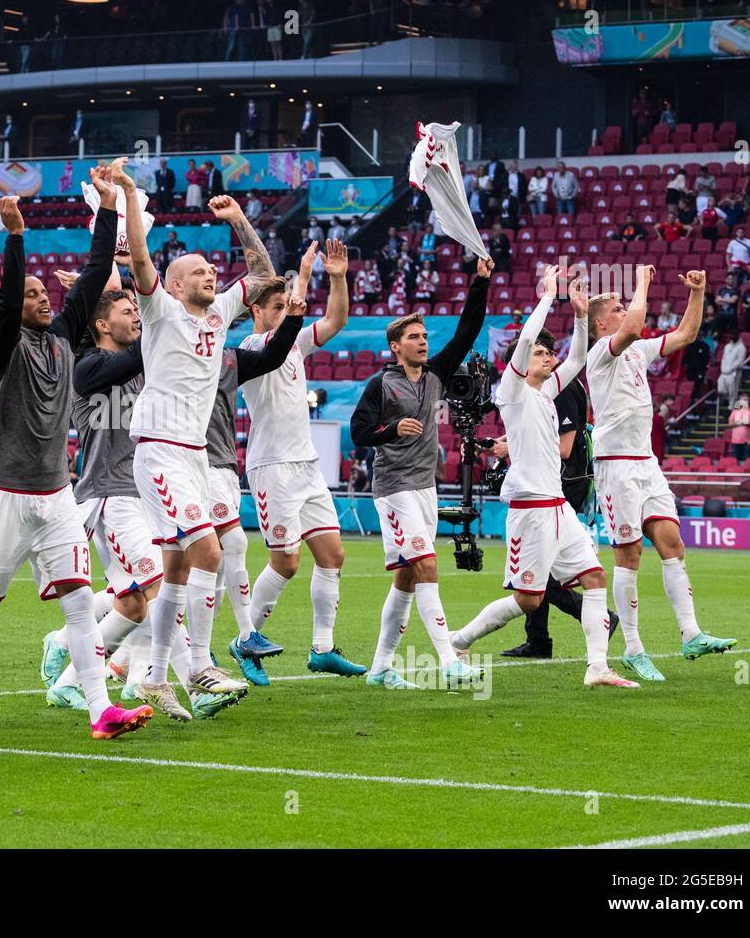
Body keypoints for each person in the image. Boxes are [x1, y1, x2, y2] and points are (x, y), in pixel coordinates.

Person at [0, 174, 153, 742]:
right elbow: (8, 300)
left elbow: (94, 270)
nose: (39, 298)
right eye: (31, 294)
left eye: (42, 293)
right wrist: (15, 238)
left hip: (57, 493)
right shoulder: (2, 343)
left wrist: (108, 206)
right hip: (2, 491)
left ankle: (100, 711)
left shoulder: (63, 338)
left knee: (80, 603)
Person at [112, 164, 283, 712]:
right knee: (208, 549)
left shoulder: (221, 316)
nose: (211, 275)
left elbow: (263, 274)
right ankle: (204, 666)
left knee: (177, 569)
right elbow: (140, 260)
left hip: (195, 458)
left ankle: (156, 676)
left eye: (213, 270)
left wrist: (238, 222)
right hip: (159, 452)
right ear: (176, 284)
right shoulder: (160, 311)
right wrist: (130, 197)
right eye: (199, 271)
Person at [448, 266, 636, 688]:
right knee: (528, 599)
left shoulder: (546, 391)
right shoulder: (510, 392)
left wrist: (580, 315)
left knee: (594, 578)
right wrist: (548, 297)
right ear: (520, 360)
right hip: (530, 510)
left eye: (548, 355)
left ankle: (597, 668)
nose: (548, 359)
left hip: (558, 506)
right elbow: (527, 342)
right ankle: (456, 640)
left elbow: (578, 359)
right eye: (539, 354)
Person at [586, 269, 737, 679]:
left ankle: (691, 633)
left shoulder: (638, 350)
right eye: (617, 309)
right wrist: (642, 282)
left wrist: (698, 292)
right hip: (615, 464)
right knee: (629, 552)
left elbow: (686, 334)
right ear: (602, 323)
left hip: (646, 462)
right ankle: (634, 648)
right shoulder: (601, 351)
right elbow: (634, 325)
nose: (626, 312)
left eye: (624, 306)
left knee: (672, 542)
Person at [350, 257, 490, 687]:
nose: (424, 341)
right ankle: (449, 659)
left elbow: (467, 332)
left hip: (425, 487)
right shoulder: (380, 384)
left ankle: (380, 669)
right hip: (394, 489)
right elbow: (359, 432)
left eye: (426, 336)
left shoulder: (436, 376)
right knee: (426, 563)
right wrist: (391, 428)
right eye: (415, 337)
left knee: (407, 579)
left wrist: (480, 283)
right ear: (396, 346)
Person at [235, 239, 369, 685]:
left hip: (306, 464)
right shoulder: (254, 346)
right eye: (276, 305)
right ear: (257, 310)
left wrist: (336, 276)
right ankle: (244, 639)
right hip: (272, 466)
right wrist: (303, 275)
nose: (285, 310)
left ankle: (323, 649)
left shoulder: (292, 345)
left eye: (285, 304)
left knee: (332, 555)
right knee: (286, 563)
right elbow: (286, 330)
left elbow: (336, 320)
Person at [718, 332, 747, 405]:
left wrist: (732, 368)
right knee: (721, 389)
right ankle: (727, 398)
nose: (732, 338)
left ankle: (731, 407)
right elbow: (724, 358)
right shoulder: (727, 346)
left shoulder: (741, 348)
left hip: (734, 373)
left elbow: (740, 361)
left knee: (733, 391)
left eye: (733, 336)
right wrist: (723, 367)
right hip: (724, 371)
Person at [728, 396, 750, 461]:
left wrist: (736, 422)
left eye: (746, 400)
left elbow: (748, 422)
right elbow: (730, 424)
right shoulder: (734, 412)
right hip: (735, 441)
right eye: (743, 400)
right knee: (736, 462)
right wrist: (742, 421)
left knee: (747, 462)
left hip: (747, 441)